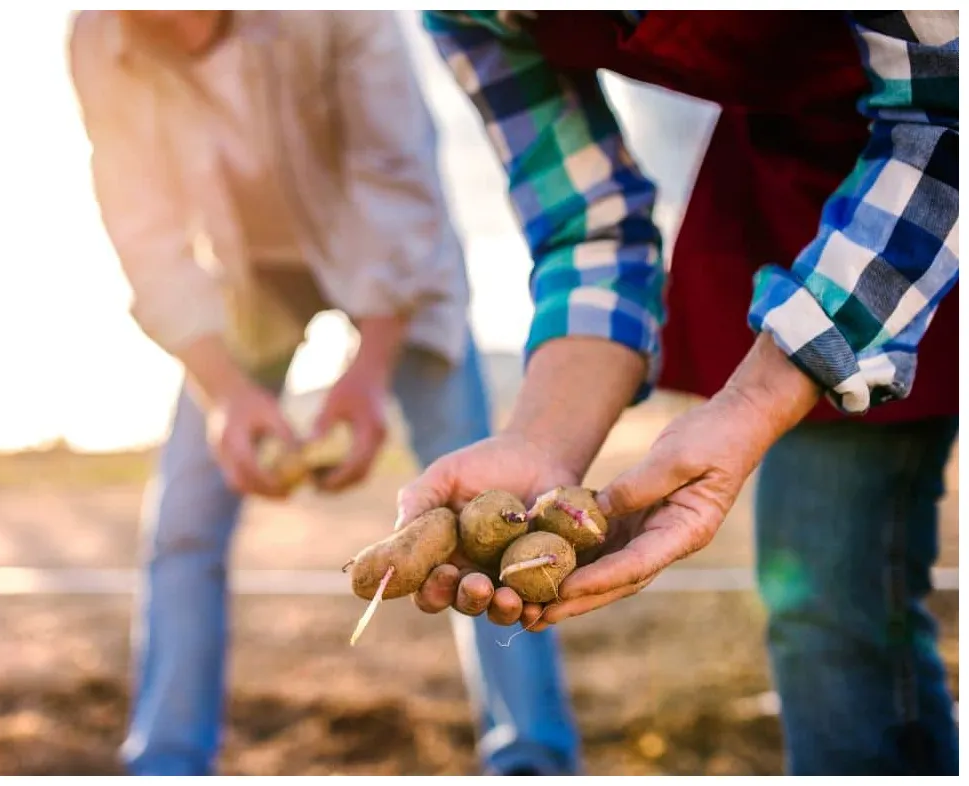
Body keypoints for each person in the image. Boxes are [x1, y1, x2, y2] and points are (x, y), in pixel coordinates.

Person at [401, 10, 959, 776]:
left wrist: (753, 402)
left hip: (930, 161)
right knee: (826, 600)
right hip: (820, 203)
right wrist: (541, 441)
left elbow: (946, 112)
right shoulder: (467, 14)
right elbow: (588, 227)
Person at [67, 9, 580, 777]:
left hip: (396, 268)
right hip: (247, 279)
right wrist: (226, 393)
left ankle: (530, 759)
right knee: (182, 523)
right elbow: (142, 229)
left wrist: (368, 371)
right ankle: (166, 764)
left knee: (483, 515)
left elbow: (396, 184)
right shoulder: (98, 39)